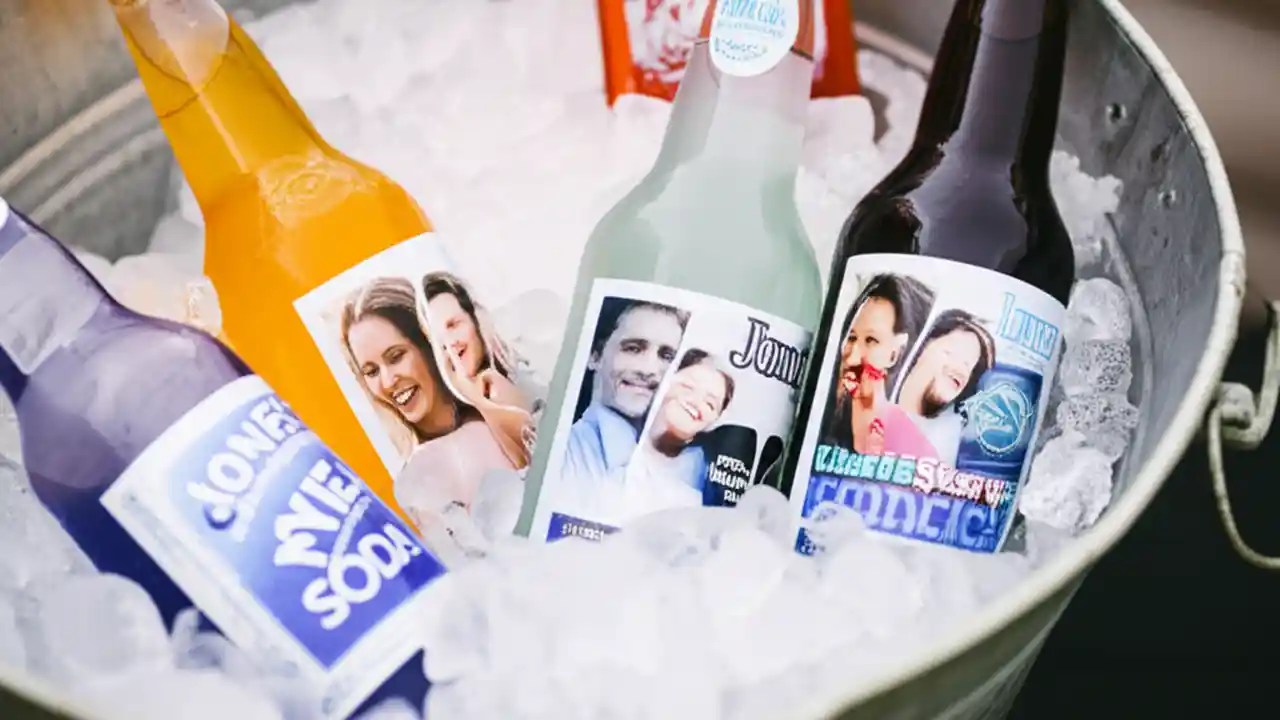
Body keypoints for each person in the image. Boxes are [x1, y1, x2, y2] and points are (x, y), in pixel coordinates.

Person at [340, 277, 523, 553]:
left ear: (429, 344)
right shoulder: (415, 475)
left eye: (396, 356)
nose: (387, 382)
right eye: (371, 371)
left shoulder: (501, 398)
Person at [559, 299, 689, 503]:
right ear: (595, 355)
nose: (648, 370)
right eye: (633, 349)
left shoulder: (680, 479)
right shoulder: (563, 454)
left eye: (666, 356)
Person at [419, 270, 538, 465]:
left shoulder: (511, 379)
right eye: (438, 337)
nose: (450, 342)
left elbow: (533, 456)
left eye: (453, 325)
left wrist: (478, 399)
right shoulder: (460, 418)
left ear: (475, 320)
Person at [819, 273, 937, 458]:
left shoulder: (915, 452)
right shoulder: (821, 422)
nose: (851, 359)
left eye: (871, 340)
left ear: (896, 355)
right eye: (851, 338)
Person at [619, 348, 735, 519]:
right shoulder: (602, 442)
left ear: (712, 423)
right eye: (688, 387)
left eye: (710, 404)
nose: (696, 402)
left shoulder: (700, 494)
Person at [894, 310, 996, 465]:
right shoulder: (870, 401)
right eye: (951, 353)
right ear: (923, 346)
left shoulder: (952, 440)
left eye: (968, 365)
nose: (960, 370)